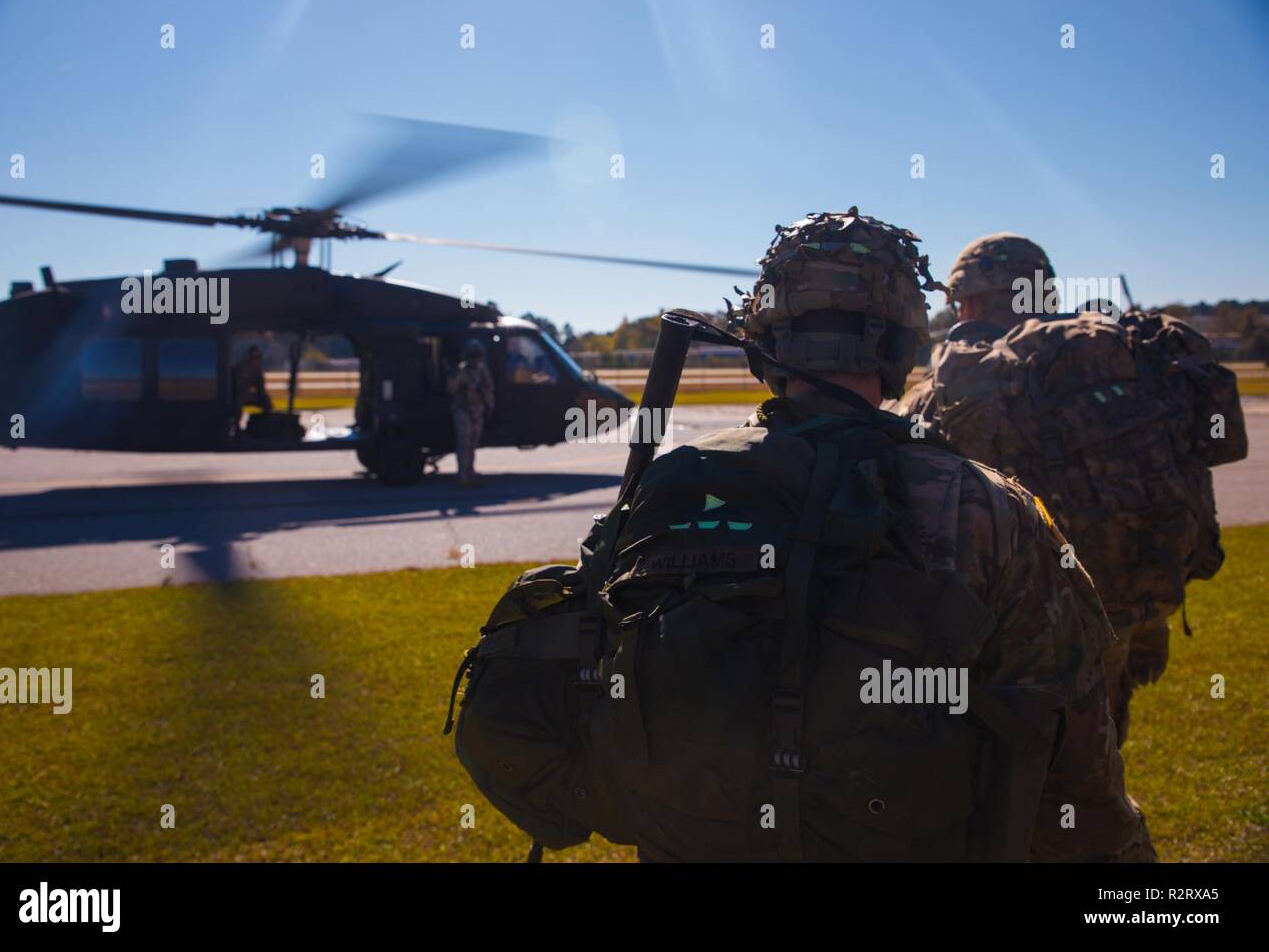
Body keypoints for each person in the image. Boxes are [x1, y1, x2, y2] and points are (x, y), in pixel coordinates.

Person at [452, 209, 1155, 862]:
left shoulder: (674, 485)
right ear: (902, 342)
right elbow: (1073, 758)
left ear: (766, 341)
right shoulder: (987, 508)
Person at [895, 234, 1245, 746]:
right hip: (1138, 601)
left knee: (1022, 783)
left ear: (966, 299)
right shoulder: (1120, 350)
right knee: (1099, 756)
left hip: (1033, 631)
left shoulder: (968, 372)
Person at [446, 338, 496, 487]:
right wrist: (454, 377)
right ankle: (463, 475)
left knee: (473, 444)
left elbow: (488, 390)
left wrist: (489, 406)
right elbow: (451, 390)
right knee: (464, 443)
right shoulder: (461, 371)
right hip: (463, 411)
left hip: (477, 410)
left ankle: (470, 472)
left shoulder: (483, 371)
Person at [231, 345, 272, 428]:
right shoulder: (240, 368)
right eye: (254, 357)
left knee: (266, 401)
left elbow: (260, 388)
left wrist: (265, 399)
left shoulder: (257, 370)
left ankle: (265, 424)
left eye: (257, 358)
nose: (255, 361)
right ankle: (237, 427)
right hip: (235, 395)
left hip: (245, 395)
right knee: (238, 402)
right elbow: (237, 387)